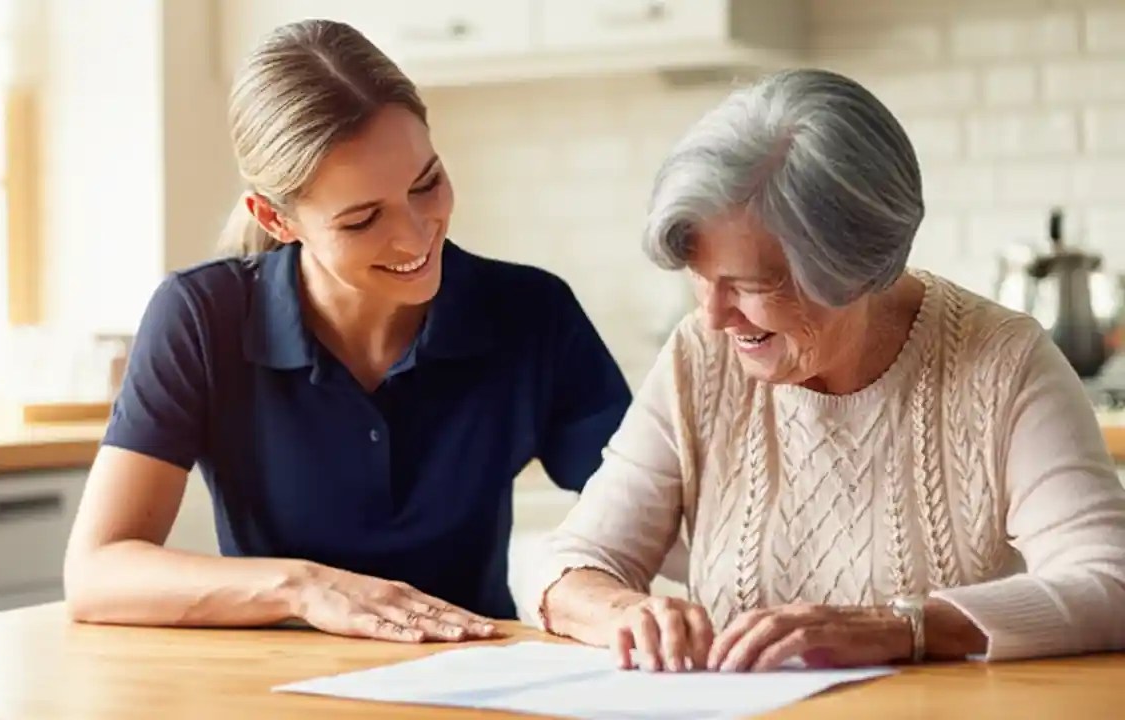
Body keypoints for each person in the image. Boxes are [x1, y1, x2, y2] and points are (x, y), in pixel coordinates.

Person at [526, 68, 1125, 672]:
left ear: (858, 266)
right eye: (703, 280)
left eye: (751, 287)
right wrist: (624, 612)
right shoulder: (698, 359)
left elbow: (1111, 581)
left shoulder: (1002, 362)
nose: (713, 317)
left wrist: (904, 627)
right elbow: (570, 564)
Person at [62, 19, 630, 644]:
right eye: (362, 219)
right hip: (266, 691)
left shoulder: (531, 313)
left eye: (427, 184)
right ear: (275, 218)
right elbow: (96, 571)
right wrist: (304, 587)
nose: (416, 236)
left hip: (471, 678)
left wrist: (592, 597)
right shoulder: (201, 316)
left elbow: (647, 513)